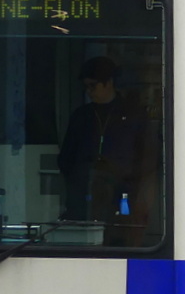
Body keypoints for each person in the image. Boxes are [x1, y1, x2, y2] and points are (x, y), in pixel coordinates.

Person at [58, 56, 156, 240]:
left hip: (123, 193)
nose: (89, 92)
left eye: (93, 86)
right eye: (86, 87)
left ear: (109, 83)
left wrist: (125, 175)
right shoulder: (82, 116)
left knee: (118, 236)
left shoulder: (133, 114)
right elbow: (66, 158)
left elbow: (147, 158)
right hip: (84, 195)